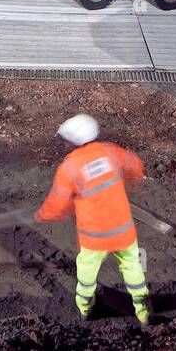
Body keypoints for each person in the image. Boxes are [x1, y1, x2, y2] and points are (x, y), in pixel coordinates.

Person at [34, 114, 151, 326]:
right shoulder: (110, 151)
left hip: (94, 239)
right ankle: (143, 311)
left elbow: (58, 204)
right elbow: (135, 167)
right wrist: (131, 181)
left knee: (87, 277)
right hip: (124, 232)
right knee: (133, 268)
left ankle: (85, 311)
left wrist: (44, 214)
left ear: (72, 140)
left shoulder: (69, 167)